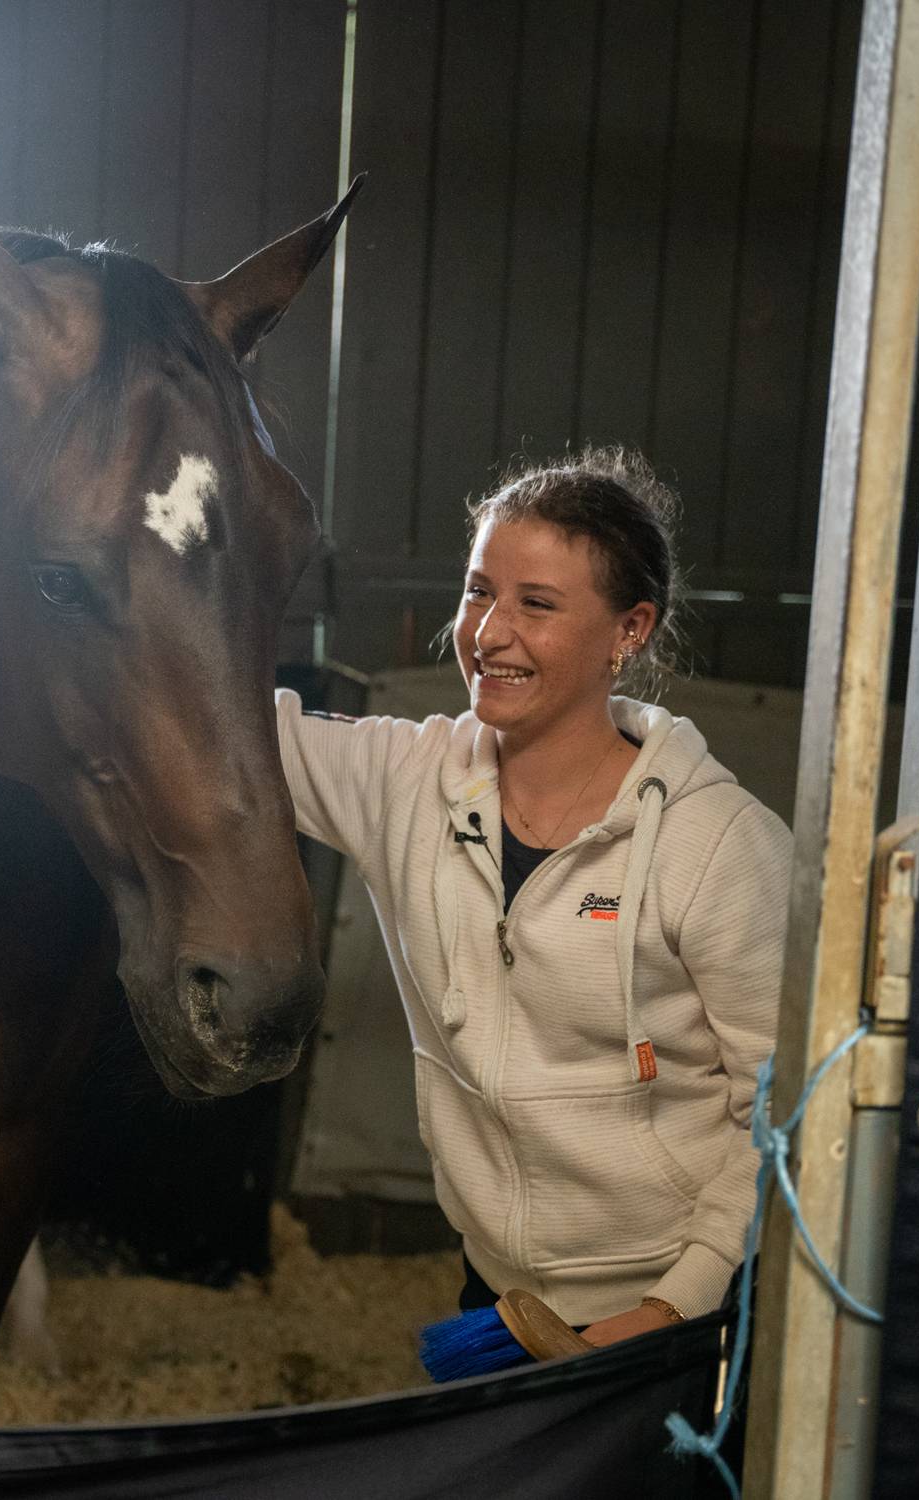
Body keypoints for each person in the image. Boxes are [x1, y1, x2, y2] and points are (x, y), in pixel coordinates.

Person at [276, 448, 790, 1345]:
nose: (490, 632)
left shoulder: (717, 845)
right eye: (480, 592)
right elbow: (221, 732)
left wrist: (674, 1304)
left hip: (689, 1306)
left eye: (537, 605)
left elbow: (787, 1110)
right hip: (506, 1298)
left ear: (629, 630)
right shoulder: (405, 780)